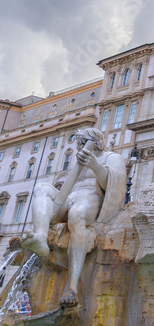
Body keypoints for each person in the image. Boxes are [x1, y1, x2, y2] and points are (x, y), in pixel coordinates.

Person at [21, 128, 126, 306]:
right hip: (70, 198)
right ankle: (40, 236)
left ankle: (71, 287)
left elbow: (116, 186)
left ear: (96, 142)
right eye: (78, 143)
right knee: (41, 188)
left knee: (76, 214)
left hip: (92, 199)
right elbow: (65, 189)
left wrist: (96, 166)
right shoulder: (78, 162)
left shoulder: (112, 158)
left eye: (82, 142)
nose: (79, 146)